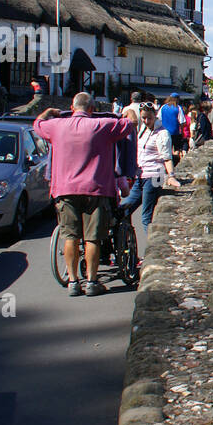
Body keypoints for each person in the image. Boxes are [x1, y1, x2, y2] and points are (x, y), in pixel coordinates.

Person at [34, 92, 133, 297]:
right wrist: (128, 111)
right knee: (92, 238)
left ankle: (72, 281)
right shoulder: (102, 125)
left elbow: (37, 125)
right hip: (95, 189)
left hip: (65, 189)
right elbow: (130, 124)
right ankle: (91, 281)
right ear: (91, 110)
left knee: (70, 236)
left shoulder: (56, 126)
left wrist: (47, 112)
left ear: (72, 108)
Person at [122, 102, 181, 228]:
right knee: (124, 209)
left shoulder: (162, 133)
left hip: (155, 176)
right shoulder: (144, 130)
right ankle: (125, 239)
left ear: (155, 115)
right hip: (141, 175)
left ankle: (151, 247)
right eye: (143, 118)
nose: (146, 121)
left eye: (149, 117)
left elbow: (167, 157)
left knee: (146, 217)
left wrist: (171, 176)